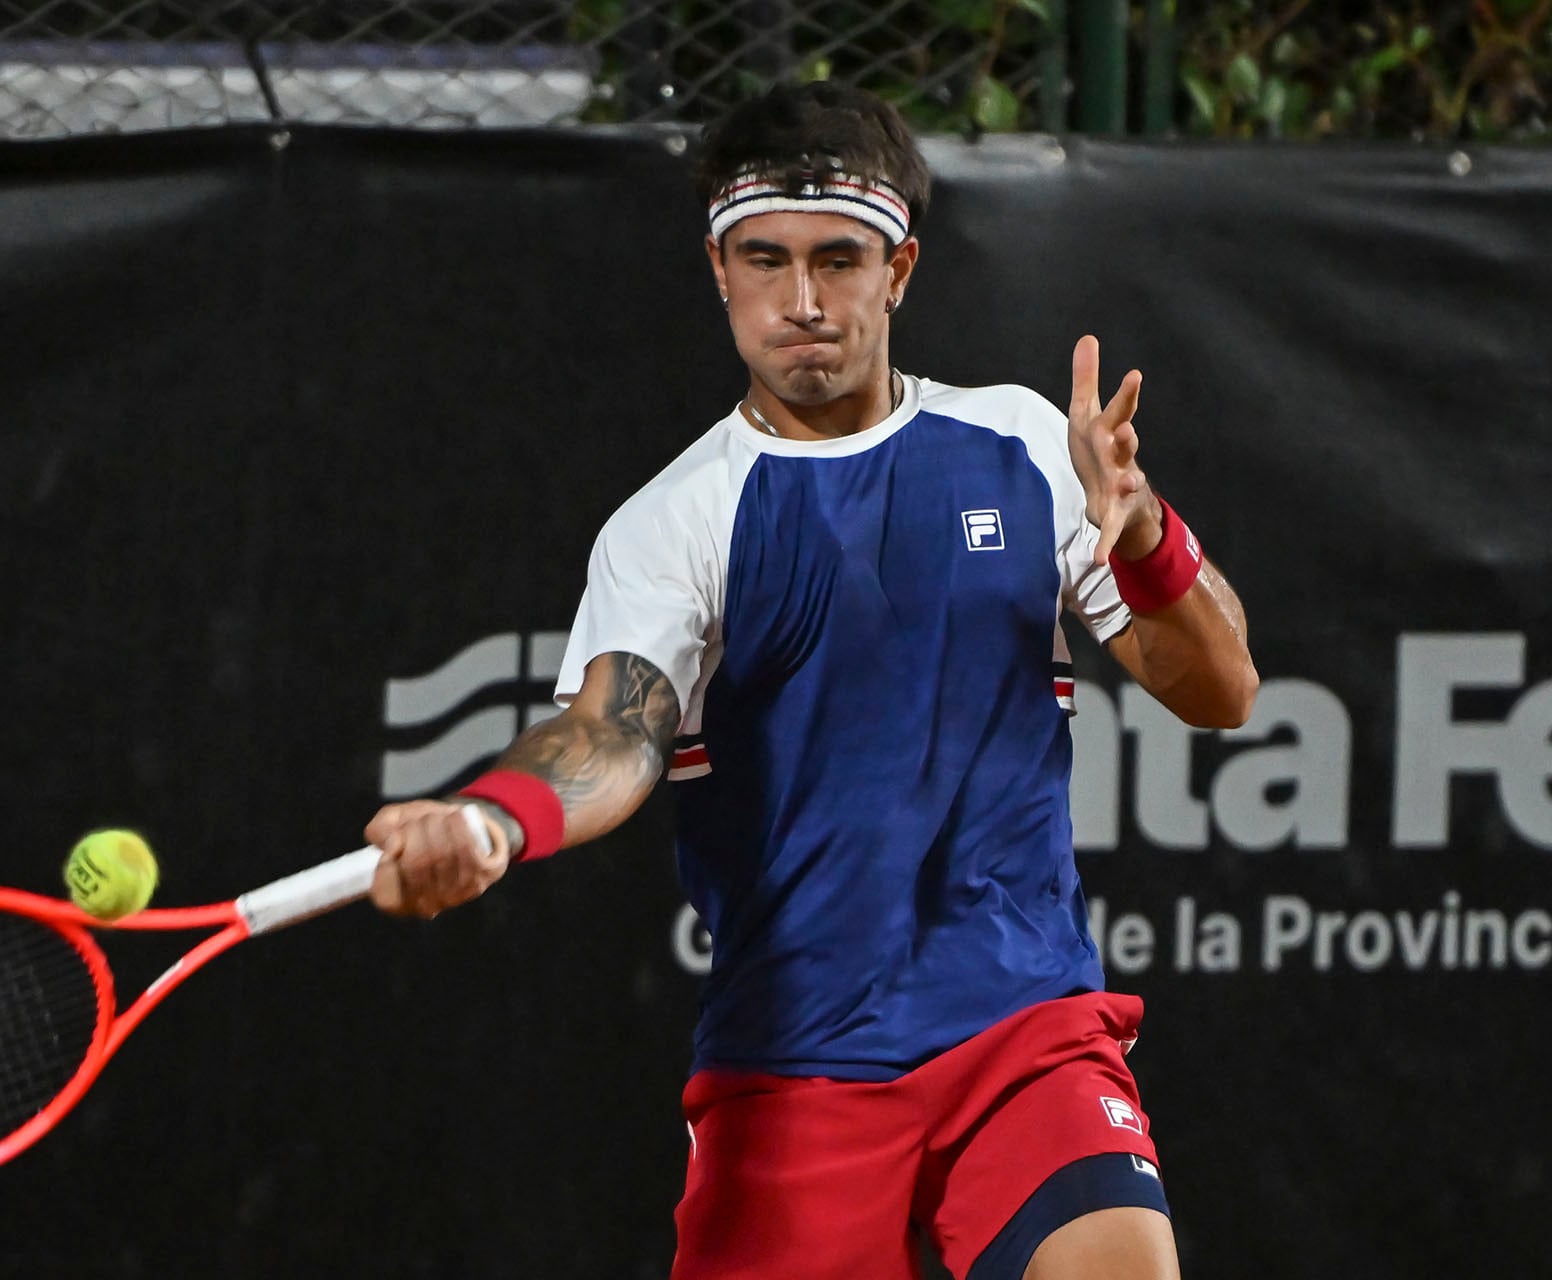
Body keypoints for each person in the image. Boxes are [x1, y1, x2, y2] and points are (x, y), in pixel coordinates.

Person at [363, 82, 1257, 1280]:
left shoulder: (1027, 446)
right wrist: (491, 818)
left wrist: (1144, 536)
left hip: (1023, 1026)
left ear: (900, 270)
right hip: (794, 1063)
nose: (802, 301)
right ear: (720, 271)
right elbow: (610, 732)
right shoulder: (676, 523)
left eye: (840, 259)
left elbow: (1223, 688)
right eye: (765, 259)